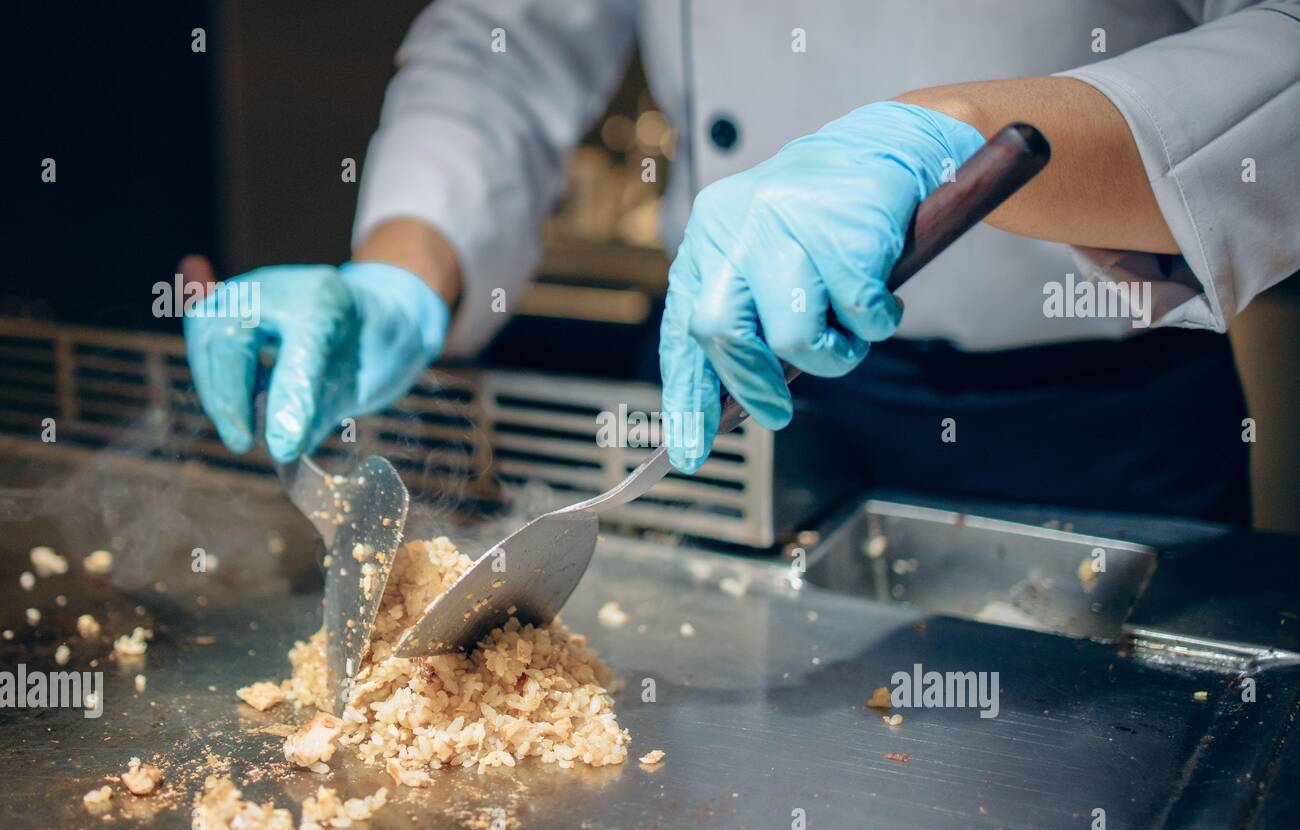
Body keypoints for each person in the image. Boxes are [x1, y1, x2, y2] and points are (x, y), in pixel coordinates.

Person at [185, 1, 1300, 524]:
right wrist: (401, 267)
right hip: (725, 389)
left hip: (1080, 427)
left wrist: (953, 127)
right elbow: (501, 49)